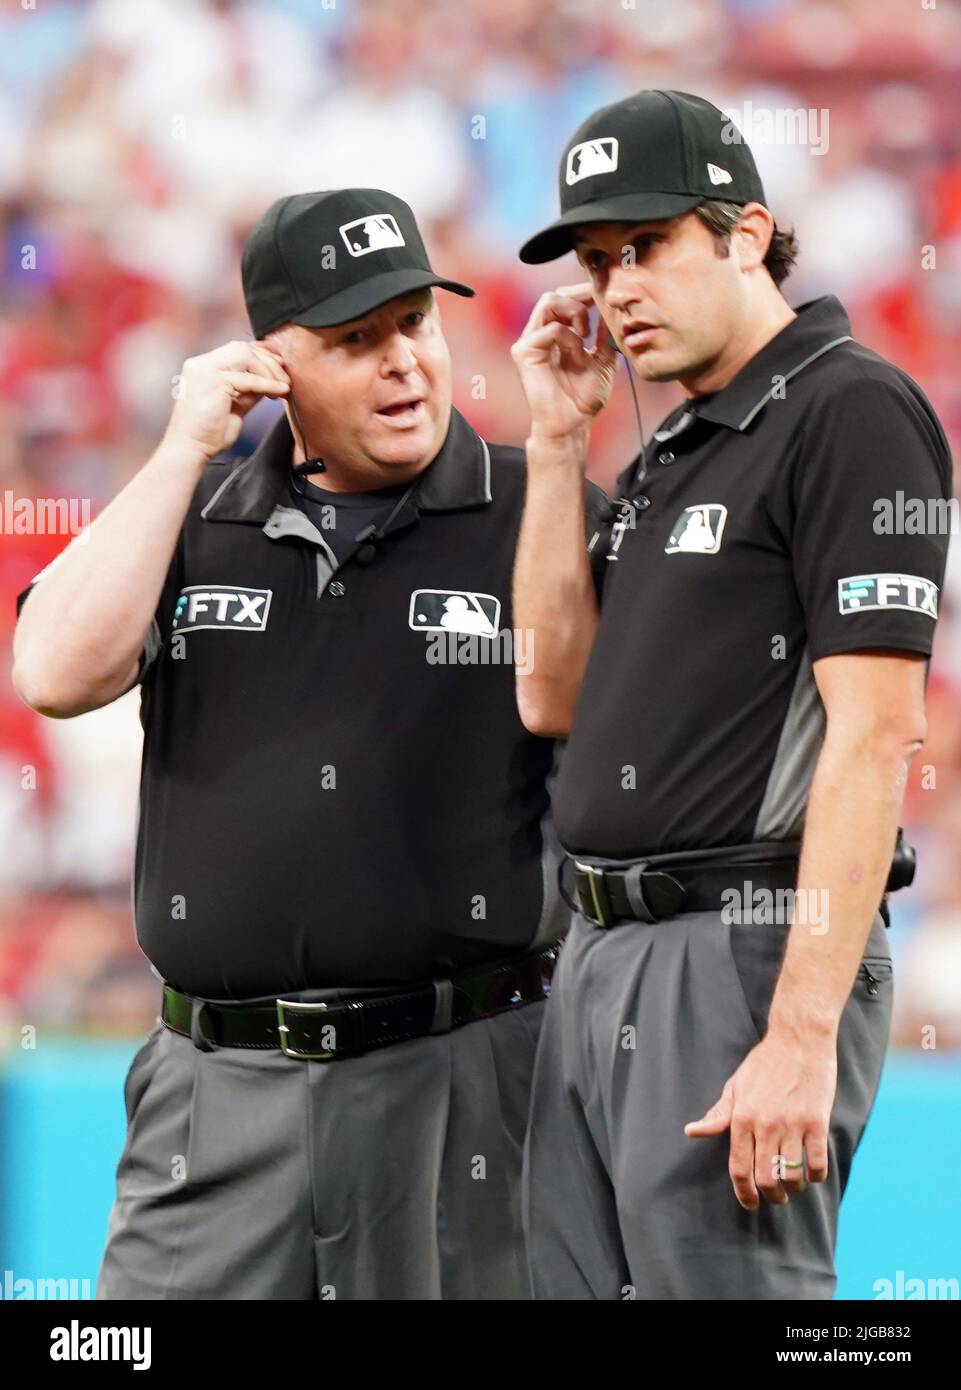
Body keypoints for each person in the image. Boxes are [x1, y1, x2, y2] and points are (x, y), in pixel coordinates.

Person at [13, 187, 608, 1300]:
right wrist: (184, 446)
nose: (402, 365)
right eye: (353, 341)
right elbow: (53, 671)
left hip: (468, 1080)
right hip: (214, 1094)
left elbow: (606, 714)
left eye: (414, 325)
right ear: (274, 365)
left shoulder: (543, 502)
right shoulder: (192, 517)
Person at [509, 89, 952, 1299]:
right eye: (598, 261)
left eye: (644, 246)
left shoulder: (848, 407)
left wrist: (800, 1034)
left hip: (742, 950)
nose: (616, 287)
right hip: (600, 948)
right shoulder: (676, 438)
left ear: (746, 233)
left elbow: (872, 739)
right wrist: (556, 444)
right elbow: (550, 692)